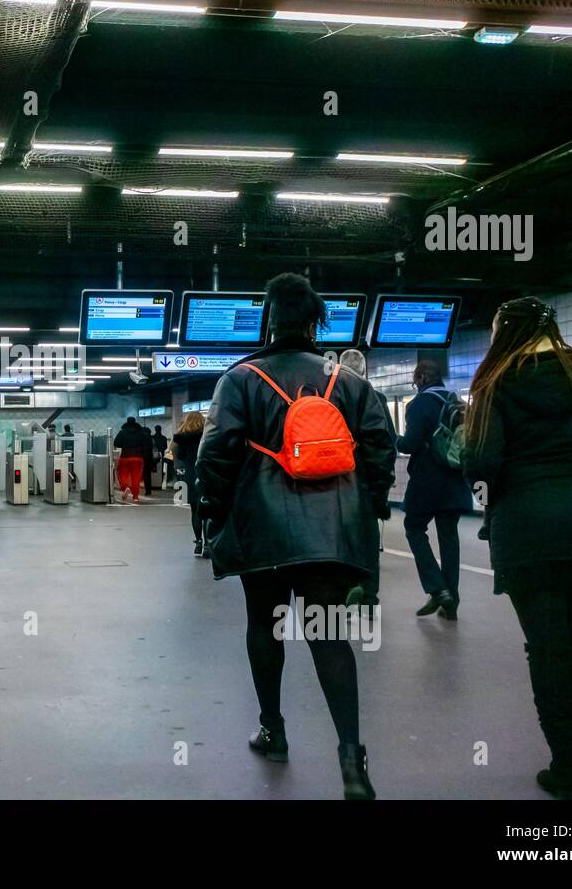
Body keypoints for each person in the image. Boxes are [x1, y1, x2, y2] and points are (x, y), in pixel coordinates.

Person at [198, 272, 396, 800]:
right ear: (315, 321)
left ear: (270, 318)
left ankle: (274, 730)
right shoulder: (348, 382)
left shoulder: (240, 379)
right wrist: (371, 505)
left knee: (264, 625)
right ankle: (352, 759)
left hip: (262, 528)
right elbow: (379, 444)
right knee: (330, 637)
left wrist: (212, 515)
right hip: (332, 530)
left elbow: (216, 453)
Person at [462, 297, 572, 800]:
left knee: (544, 645)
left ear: (504, 332)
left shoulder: (495, 381)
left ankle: (567, 765)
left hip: (527, 530)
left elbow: (481, 462)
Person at [397, 360, 475, 619]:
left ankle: (437, 587)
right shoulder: (458, 402)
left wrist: (391, 438)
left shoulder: (419, 404)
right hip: (455, 480)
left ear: (420, 378)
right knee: (449, 538)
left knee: (414, 528)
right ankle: (451, 602)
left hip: (427, 482)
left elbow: (409, 444)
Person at [172, 412, 206, 555]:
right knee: (209, 510)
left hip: (190, 473)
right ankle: (209, 544)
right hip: (206, 472)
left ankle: (198, 542)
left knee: (195, 510)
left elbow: (180, 456)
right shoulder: (207, 434)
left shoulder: (181, 438)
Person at [113, 416, 150, 502]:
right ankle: (135, 497)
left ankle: (126, 487)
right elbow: (146, 444)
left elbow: (116, 443)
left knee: (122, 474)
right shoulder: (141, 433)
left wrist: (125, 444)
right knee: (136, 477)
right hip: (138, 457)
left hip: (125, 456)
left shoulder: (122, 432)